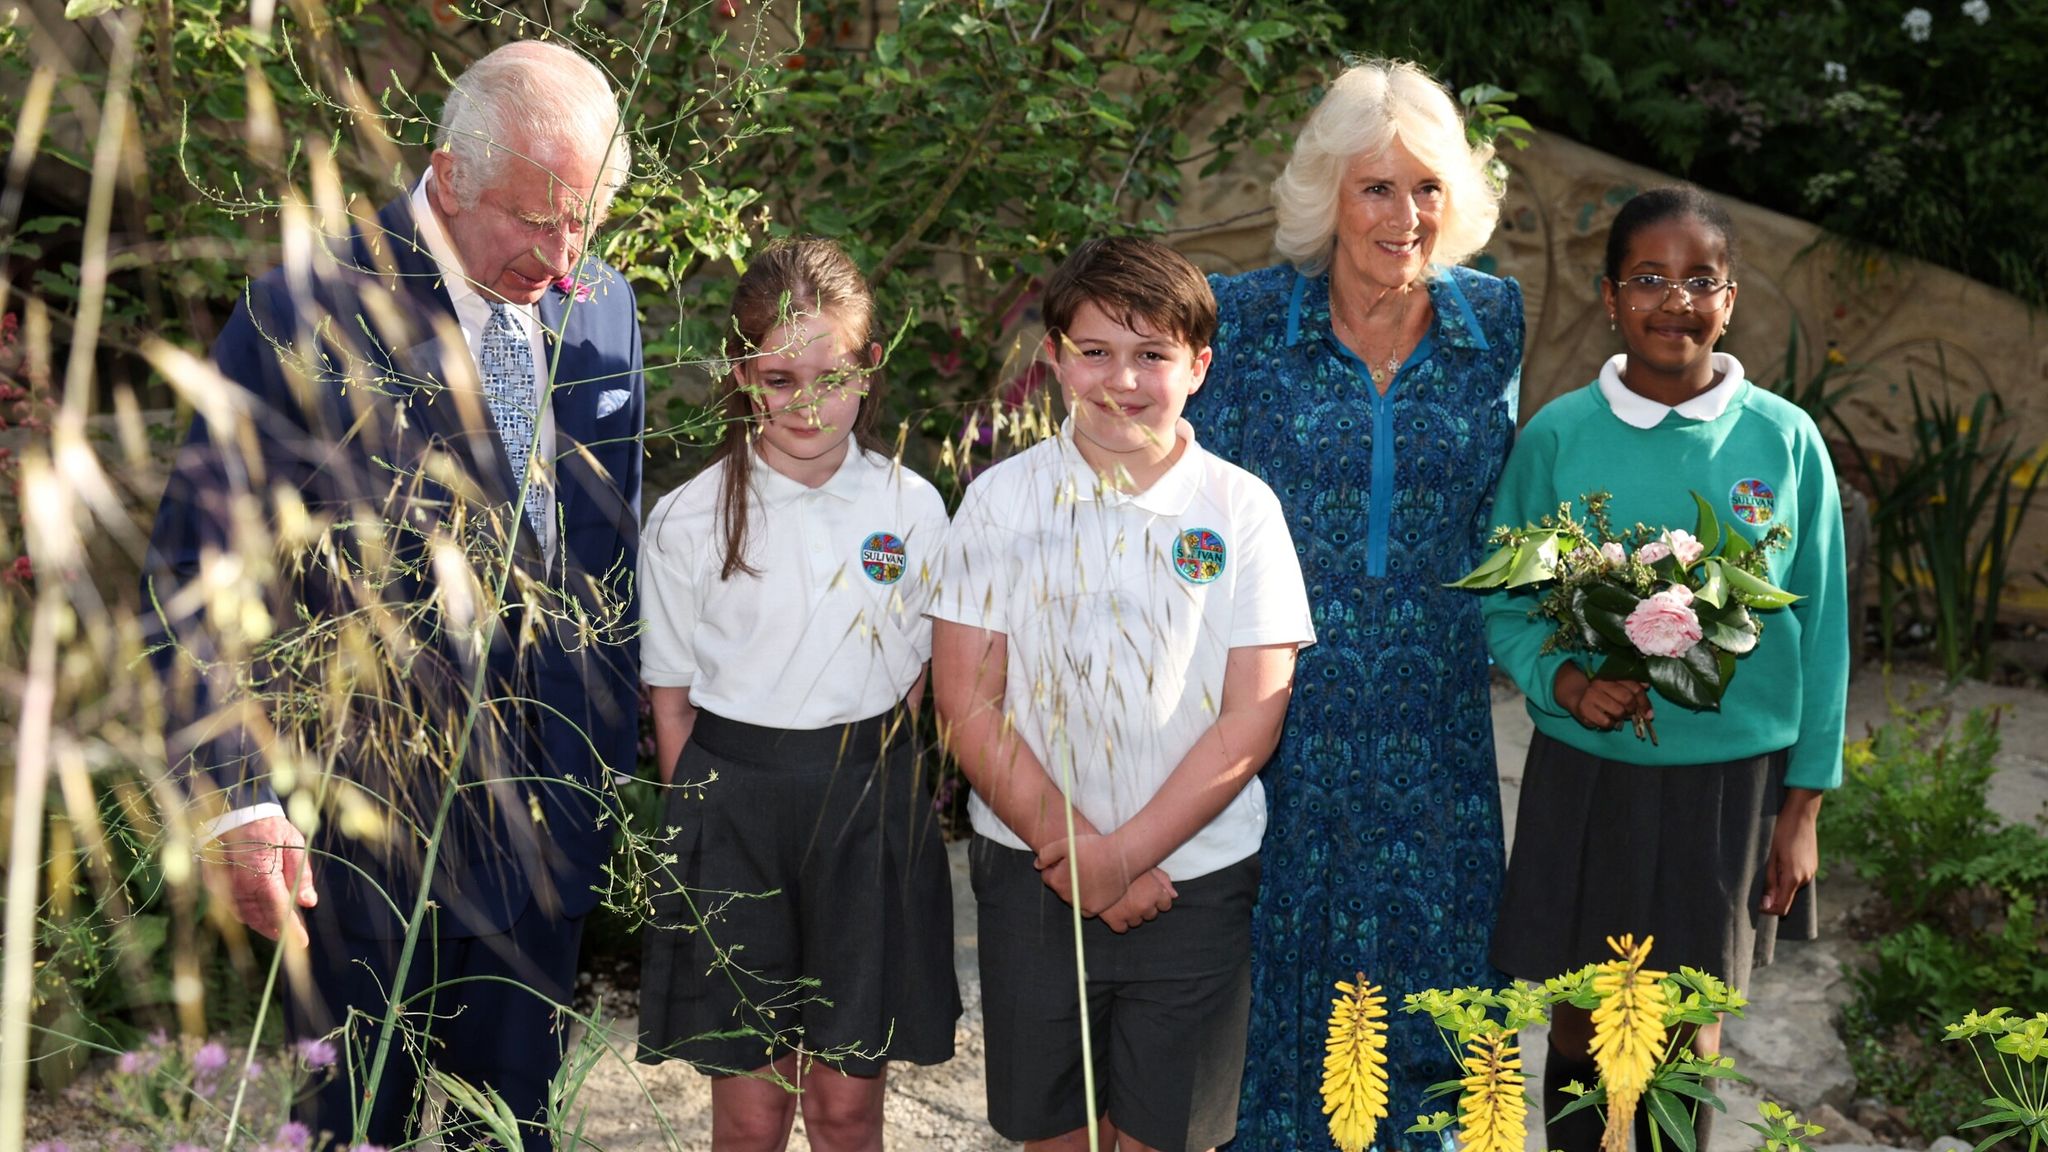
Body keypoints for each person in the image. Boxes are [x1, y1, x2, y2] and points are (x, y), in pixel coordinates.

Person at [142, 41, 643, 1152]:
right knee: (351, 1128)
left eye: (588, 223)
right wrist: (240, 800)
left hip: (547, 829)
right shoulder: (304, 311)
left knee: (510, 1133)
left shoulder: (604, 309)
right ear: (452, 175)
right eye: (537, 219)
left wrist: (601, 770)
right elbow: (194, 572)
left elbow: (604, 560)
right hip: (361, 839)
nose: (564, 259)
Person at [1181, 59, 1523, 1144]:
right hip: (1276, 722)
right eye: (1374, 186)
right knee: (1280, 986)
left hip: (1436, 730)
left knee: (1440, 994)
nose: (1404, 214)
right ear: (1324, 193)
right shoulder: (1237, 325)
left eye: (1426, 186)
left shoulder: (1492, 327)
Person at [1482, 185, 1846, 1152]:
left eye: (1700, 280)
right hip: (1587, 778)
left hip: (1729, 787)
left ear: (1730, 303)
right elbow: (1506, 598)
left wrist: (1802, 810)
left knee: (1689, 1022)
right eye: (1648, 278)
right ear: (1609, 298)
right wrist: (1565, 681)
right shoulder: (1559, 436)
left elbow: (1826, 626)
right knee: (1581, 1015)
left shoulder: (1784, 439)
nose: (1673, 300)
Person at [932, 236, 1316, 1152]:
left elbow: (1251, 720)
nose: (1124, 380)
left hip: (1194, 883)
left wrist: (1123, 858)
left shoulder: (1240, 510)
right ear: (1055, 356)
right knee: (1057, 1136)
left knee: (1163, 1140)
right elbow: (967, 701)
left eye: (1153, 354)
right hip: (1034, 876)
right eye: (1096, 350)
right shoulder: (1000, 503)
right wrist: (1078, 852)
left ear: (1200, 366)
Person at [634, 237, 959, 1152]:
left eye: (832, 375)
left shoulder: (911, 507)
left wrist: (904, 810)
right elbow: (672, 702)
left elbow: (932, 679)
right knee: (752, 1102)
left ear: (869, 367)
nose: (807, 404)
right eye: (779, 380)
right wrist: (697, 841)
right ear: (742, 375)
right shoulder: (689, 518)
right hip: (732, 811)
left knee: (847, 1103)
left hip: (868, 808)